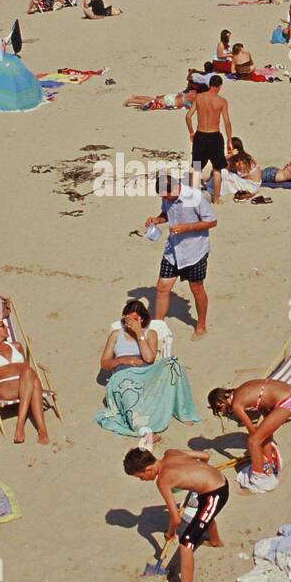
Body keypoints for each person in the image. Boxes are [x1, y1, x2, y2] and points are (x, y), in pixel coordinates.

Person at [123, 447, 226, 582]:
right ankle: (215, 541)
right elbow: (205, 456)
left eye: (141, 477)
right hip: (217, 481)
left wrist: (170, 533)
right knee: (202, 516)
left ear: (149, 469)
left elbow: (176, 519)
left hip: (216, 493)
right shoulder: (170, 453)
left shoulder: (163, 480)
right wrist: (195, 485)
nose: (142, 480)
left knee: (186, 543)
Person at [95, 299, 198, 441]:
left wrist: (139, 334)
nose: (130, 322)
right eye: (127, 318)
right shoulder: (116, 335)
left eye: (134, 319)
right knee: (129, 391)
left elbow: (149, 358)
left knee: (174, 363)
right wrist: (122, 360)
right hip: (124, 375)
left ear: (141, 319)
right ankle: (144, 430)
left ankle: (183, 412)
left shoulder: (151, 333)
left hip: (147, 374)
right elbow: (104, 363)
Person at [146, 172, 216, 339]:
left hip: (195, 251)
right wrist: (157, 219)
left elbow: (212, 221)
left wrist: (187, 228)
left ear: (176, 187)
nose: (166, 200)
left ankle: (201, 325)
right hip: (173, 250)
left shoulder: (195, 197)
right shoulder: (167, 197)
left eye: (168, 197)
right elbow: (166, 214)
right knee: (162, 288)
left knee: (197, 289)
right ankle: (158, 326)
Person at [0, 318, 50, 445]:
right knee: (31, 377)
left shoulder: (17, 346)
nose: (7, 328)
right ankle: (32, 427)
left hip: (24, 382)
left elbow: (26, 367)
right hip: (4, 387)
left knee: (29, 374)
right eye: (2, 326)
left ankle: (36, 428)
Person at [208, 379, 291, 480]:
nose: (223, 412)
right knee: (263, 434)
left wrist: (258, 453)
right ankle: (269, 466)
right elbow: (262, 401)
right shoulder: (239, 391)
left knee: (253, 441)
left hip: (287, 401)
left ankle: (259, 478)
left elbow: (252, 431)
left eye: (220, 410)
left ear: (221, 404)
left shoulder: (236, 405)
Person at [186, 75, 232, 203]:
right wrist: (229, 139)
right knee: (217, 169)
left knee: (196, 167)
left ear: (210, 84)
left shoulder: (199, 97)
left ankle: (194, 197)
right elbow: (227, 122)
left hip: (200, 135)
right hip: (214, 136)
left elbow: (188, 117)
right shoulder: (221, 101)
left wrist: (191, 132)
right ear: (219, 86)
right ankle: (216, 199)